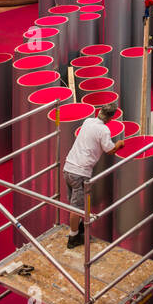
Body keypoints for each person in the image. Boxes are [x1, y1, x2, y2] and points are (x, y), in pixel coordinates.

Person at [63, 101, 124, 249]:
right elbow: (109, 150)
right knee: (76, 207)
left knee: (75, 202)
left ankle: (79, 228)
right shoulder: (104, 131)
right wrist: (120, 144)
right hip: (80, 172)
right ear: (111, 118)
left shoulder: (88, 121)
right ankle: (73, 237)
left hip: (68, 167)